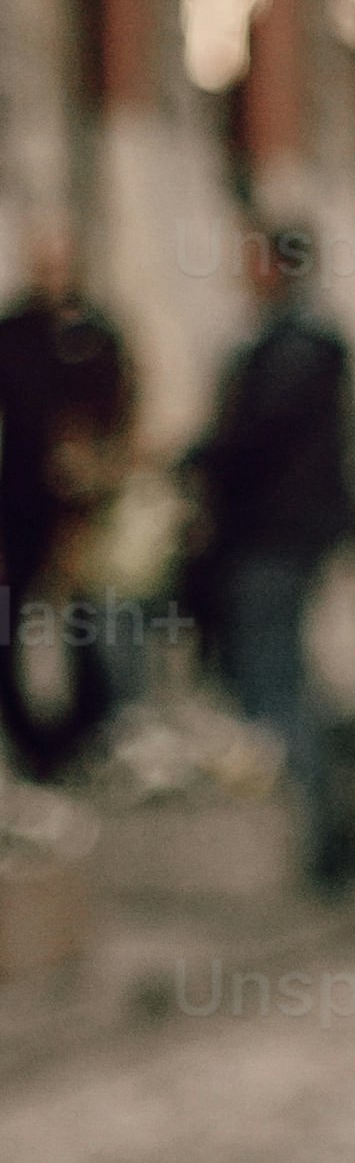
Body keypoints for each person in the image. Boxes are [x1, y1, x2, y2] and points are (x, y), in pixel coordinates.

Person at [191, 225, 355, 890]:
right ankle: (334, 831)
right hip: (294, 536)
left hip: (271, 539)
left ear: (276, 266)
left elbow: (253, 441)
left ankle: (322, 839)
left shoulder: (290, 349)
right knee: (292, 681)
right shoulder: (313, 345)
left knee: (276, 684)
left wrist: (196, 458)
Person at [0, 224, 134, 778]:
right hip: (21, 503)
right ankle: (34, 746)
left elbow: (122, 406)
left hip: (87, 508)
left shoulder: (97, 333)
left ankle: (86, 732)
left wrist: (99, 463)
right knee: (12, 621)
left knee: (89, 622)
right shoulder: (12, 333)